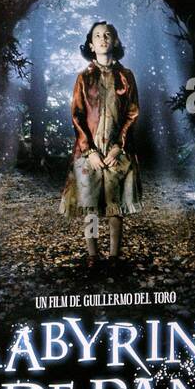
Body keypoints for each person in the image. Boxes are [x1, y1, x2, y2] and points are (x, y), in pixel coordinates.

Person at [59, 20, 142, 267]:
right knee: (91, 208)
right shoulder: (84, 77)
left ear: (114, 42)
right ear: (91, 45)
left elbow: (133, 113)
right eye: (97, 35)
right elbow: (77, 115)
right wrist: (89, 150)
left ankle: (114, 256)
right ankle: (93, 256)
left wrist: (119, 146)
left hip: (118, 152)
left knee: (115, 207)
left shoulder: (126, 77)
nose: (103, 38)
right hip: (90, 154)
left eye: (108, 35)